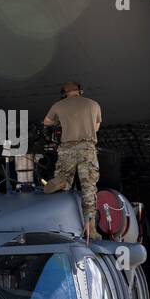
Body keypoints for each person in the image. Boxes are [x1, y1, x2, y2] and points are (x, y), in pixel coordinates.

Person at [42, 80, 103, 239]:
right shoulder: (94, 105)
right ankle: (90, 228)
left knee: (63, 184)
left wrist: (62, 119)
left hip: (67, 149)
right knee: (88, 188)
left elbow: (47, 122)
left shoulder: (58, 105)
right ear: (80, 91)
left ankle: (63, 181)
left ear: (64, 93)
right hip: (87, 149)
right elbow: (96, 127)